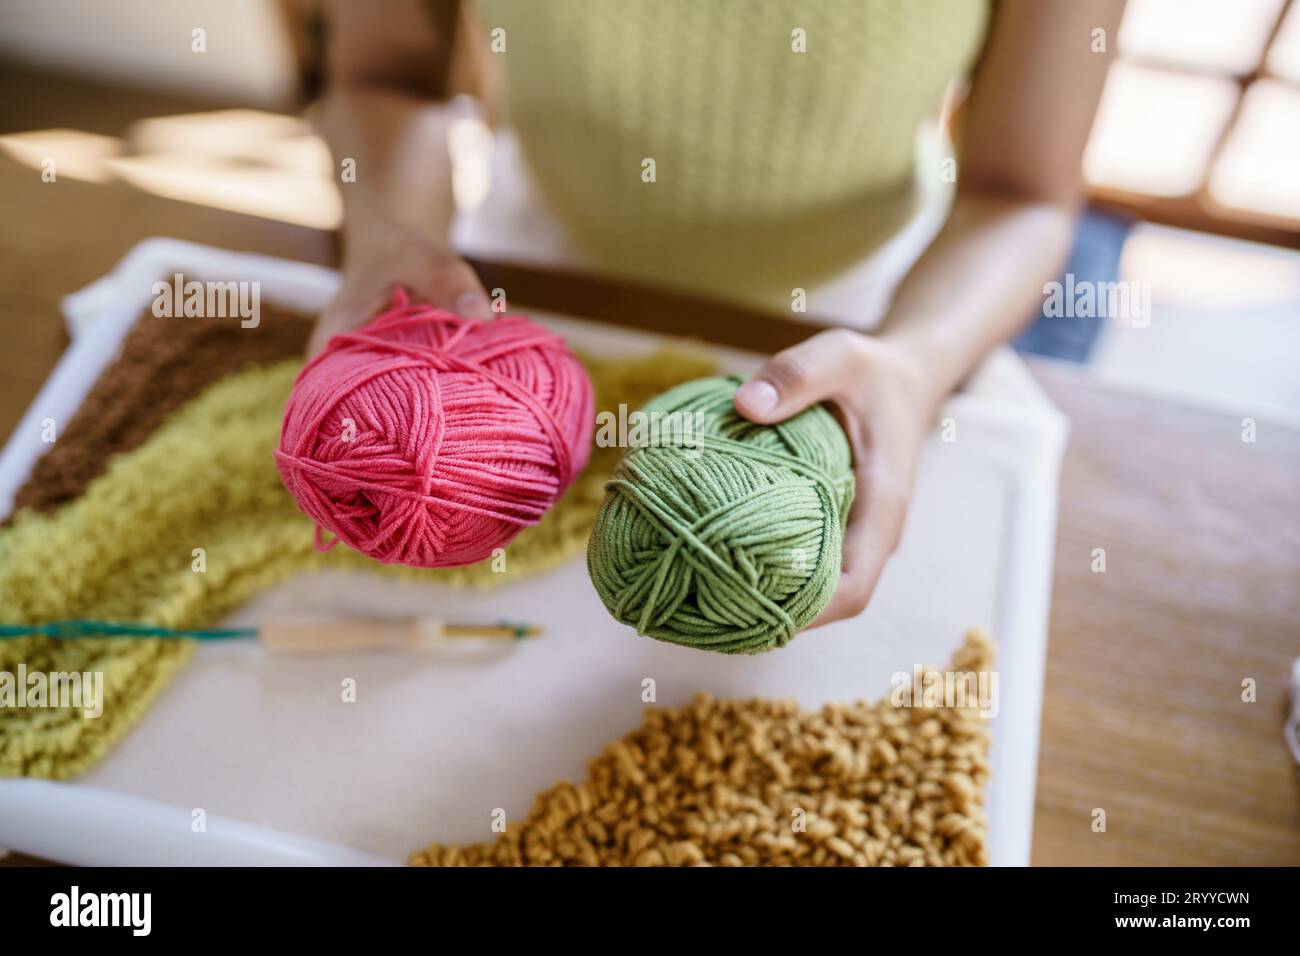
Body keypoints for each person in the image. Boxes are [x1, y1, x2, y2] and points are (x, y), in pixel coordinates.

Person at [310, 0, 1123, 626]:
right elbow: (386, 78)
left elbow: (1021, 195)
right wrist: (393, 234)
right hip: (525, 265)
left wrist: (914, 362)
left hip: (870, 312)